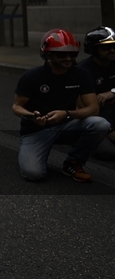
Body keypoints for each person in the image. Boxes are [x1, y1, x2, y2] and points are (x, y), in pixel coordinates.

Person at [12, 29, 109, 182]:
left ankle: (73, 162)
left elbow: (93, 108)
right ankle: (32, 152)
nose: (68, 58)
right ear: (47, 55)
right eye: (61, 54)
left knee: (100, 124)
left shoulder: (81, 74)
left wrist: (66, 114)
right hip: (36, 130)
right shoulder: (31, 77)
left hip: (66, 125)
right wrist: (32, 116)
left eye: (72, 54)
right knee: (34, 174)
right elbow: (17, 106)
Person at [79, 26, 115, 159]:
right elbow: (84, 107)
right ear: (94, 49)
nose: (112, 50)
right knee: (108, 152)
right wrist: (109, 130)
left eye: (114, 46)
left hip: (112, 111)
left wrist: (113, 92)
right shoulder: (83, 71)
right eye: (106, 47)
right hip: (95, 116)